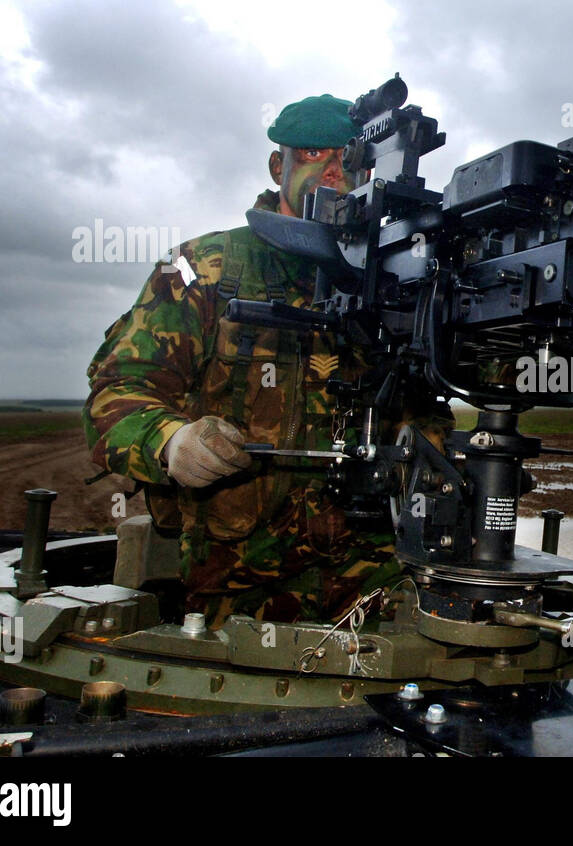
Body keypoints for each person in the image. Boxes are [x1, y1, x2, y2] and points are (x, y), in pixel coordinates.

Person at [84, 94, 450, 628]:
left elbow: (452, 387)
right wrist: (169, 441)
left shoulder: (402, 281)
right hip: (237, 578)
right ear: (279, 165)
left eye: (350, 162)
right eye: (312, 155)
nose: (332, 174)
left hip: (373, 572)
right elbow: (116, 394)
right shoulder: (204, 269)